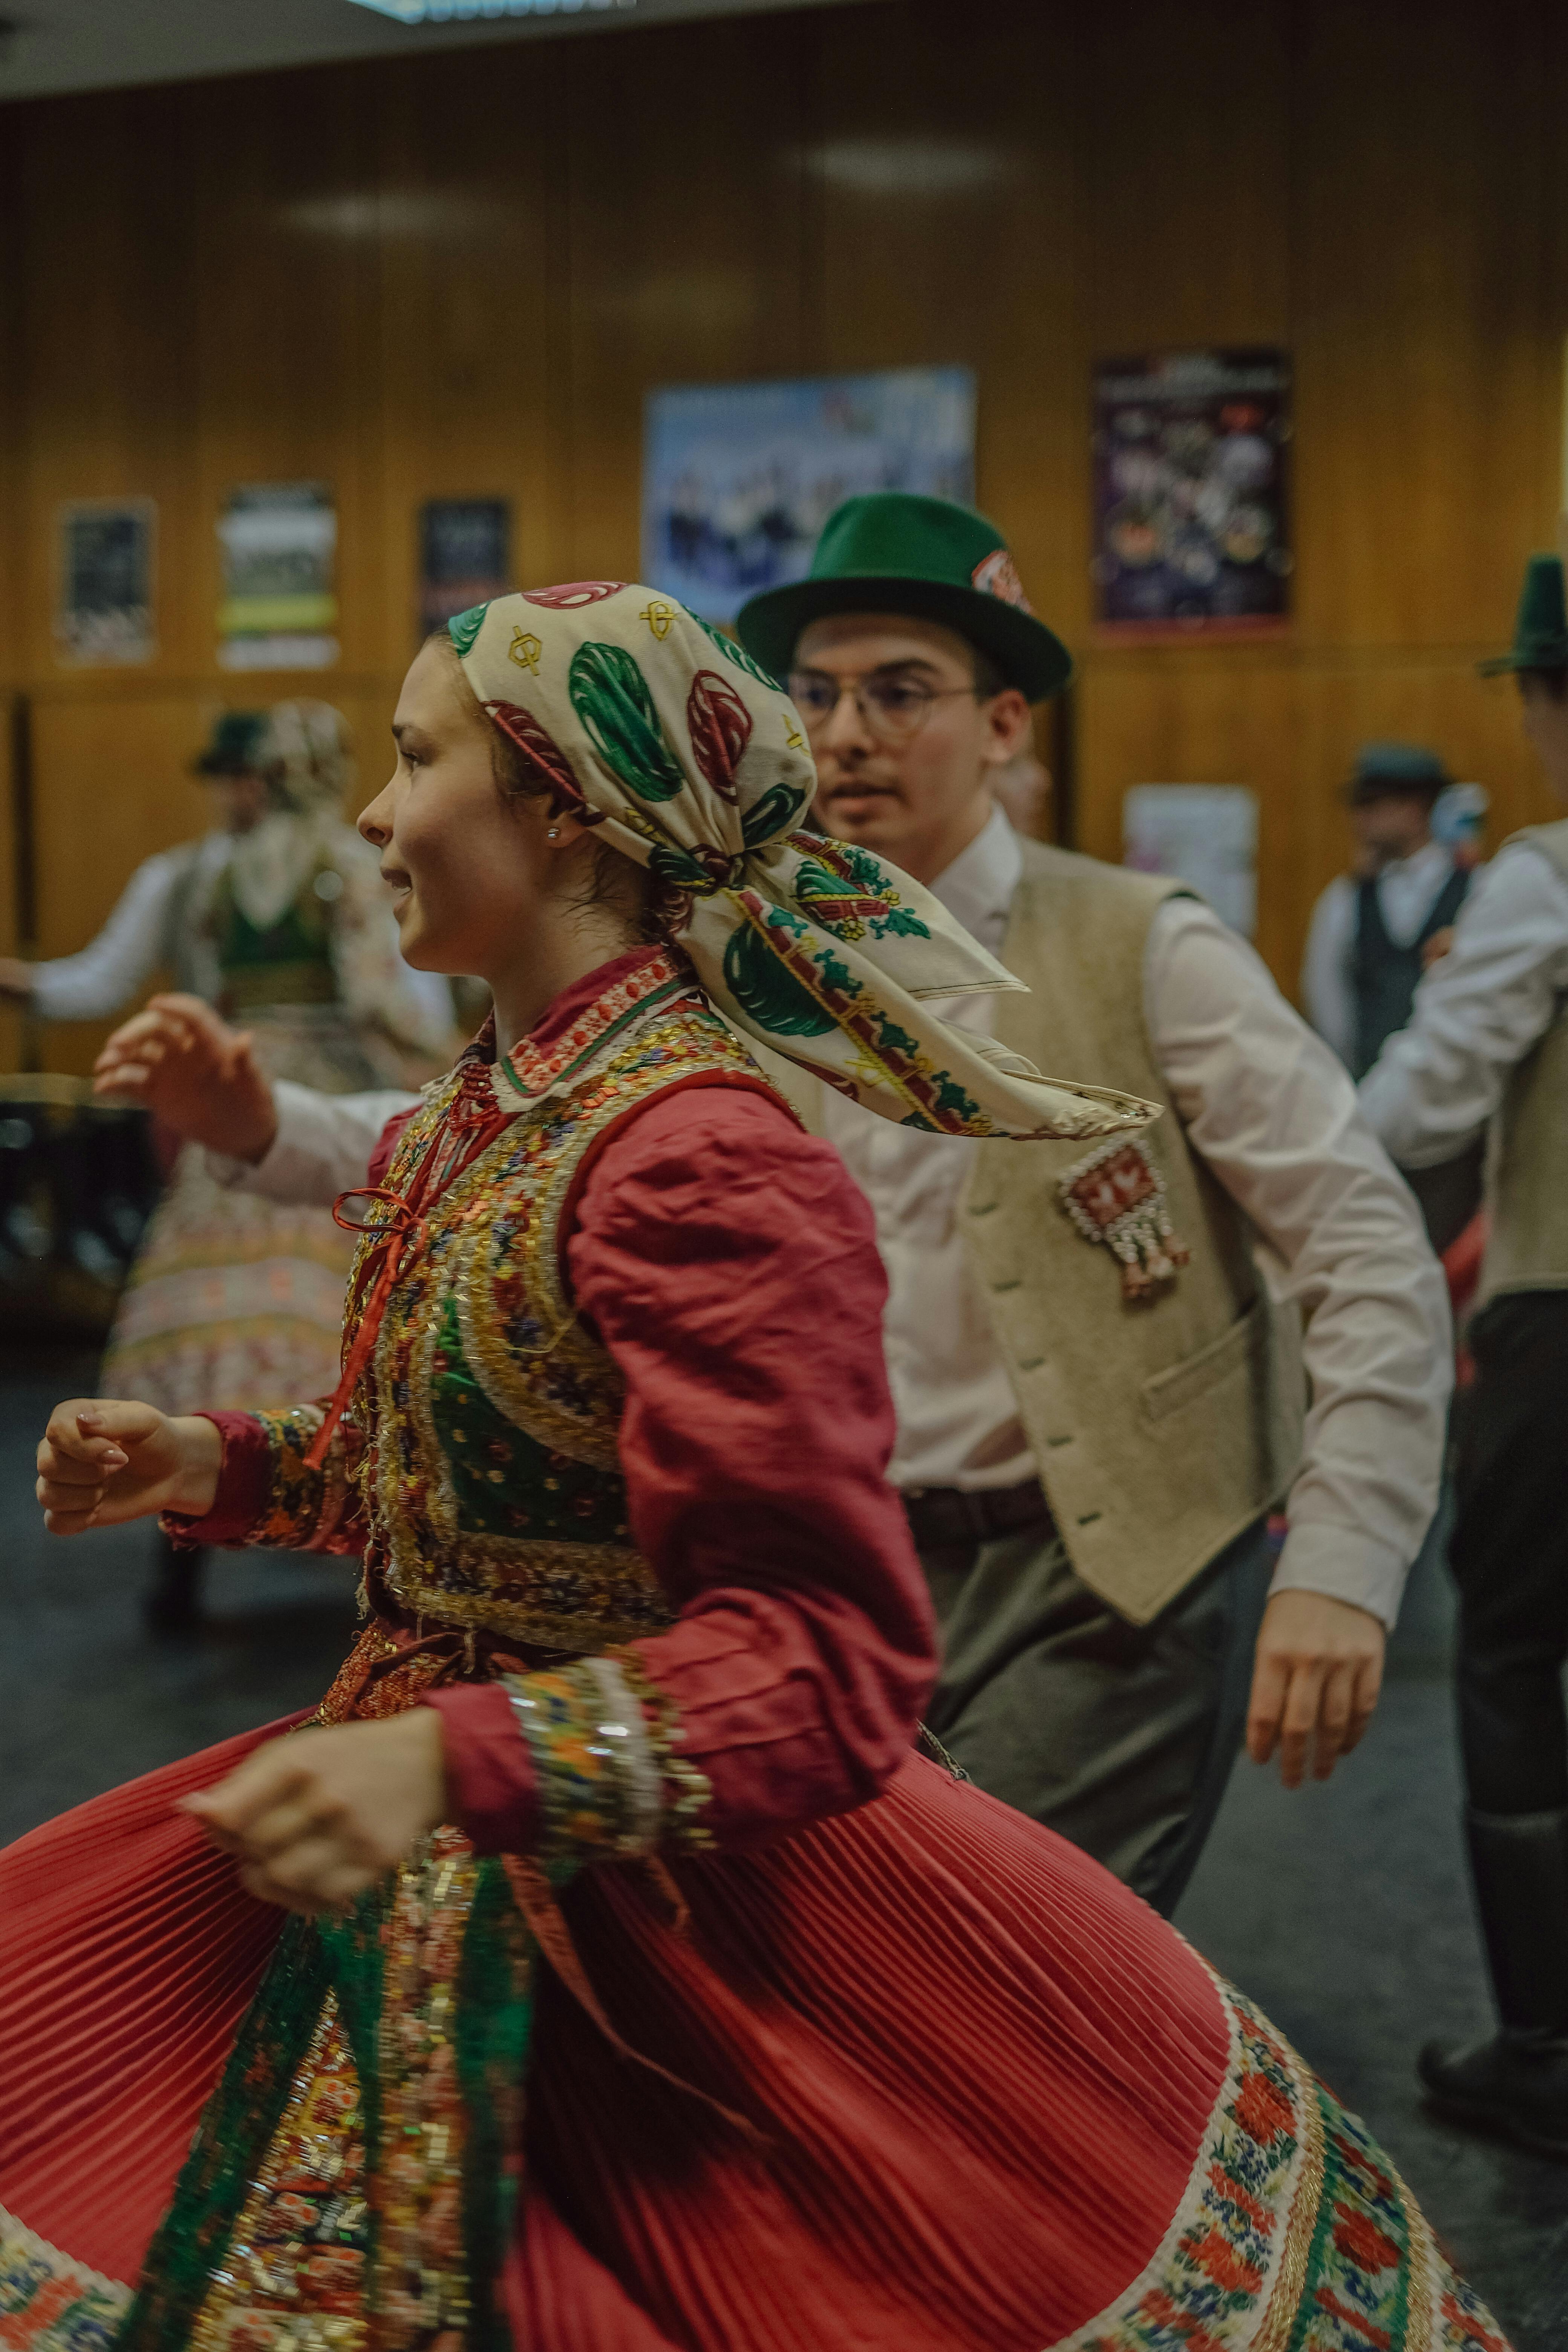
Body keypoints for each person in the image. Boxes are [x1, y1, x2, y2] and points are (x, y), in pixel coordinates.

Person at [0, 585, 1506, 2352]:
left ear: (562, 807)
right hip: (433, 1828)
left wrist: (460, 1755)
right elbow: (499, 1484)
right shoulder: (496, 1104)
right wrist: (220, 1461)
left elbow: (825, 1654)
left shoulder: (692, 1152)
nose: (376, 815)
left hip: (665, 1904)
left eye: (416, 761)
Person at [96, 500, 1452, 1919]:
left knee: (999, 1984)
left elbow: (1361, 1247)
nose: (850, 731)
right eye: (816, 693)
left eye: (899, 692)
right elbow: (535, 1149)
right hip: (773, 1558)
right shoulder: (716, 972)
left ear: (1003, 725)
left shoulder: (1145, 943)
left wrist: (1344, 1563)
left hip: (1100, 1573)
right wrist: (263, 1129)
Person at [30, 703, 456, 1627]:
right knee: (326, 1319)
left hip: (234, 1101)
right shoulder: (345, 873)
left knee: (204, 1322)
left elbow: (141, 978)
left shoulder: (209, 872)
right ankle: (354, 1541)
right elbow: (386, 1004)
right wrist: (453, 1067)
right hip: (318, 1092)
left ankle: (176, 1559)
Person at [1359, 551, 1568, 2158]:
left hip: (1558, 1321)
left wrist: (1304, 1183)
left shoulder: (1546, 873)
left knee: (1505, 1651)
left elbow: (1426, 1101)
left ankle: (1546, 2041)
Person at [1301, 741, 1477, 1078]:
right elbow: (1326, 1001)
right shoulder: (1346, 898)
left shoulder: (1476, 889)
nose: (1358, 818)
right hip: (1367, 1089)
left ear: (1415, 807)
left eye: (1371, 804)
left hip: (1455, 1091)